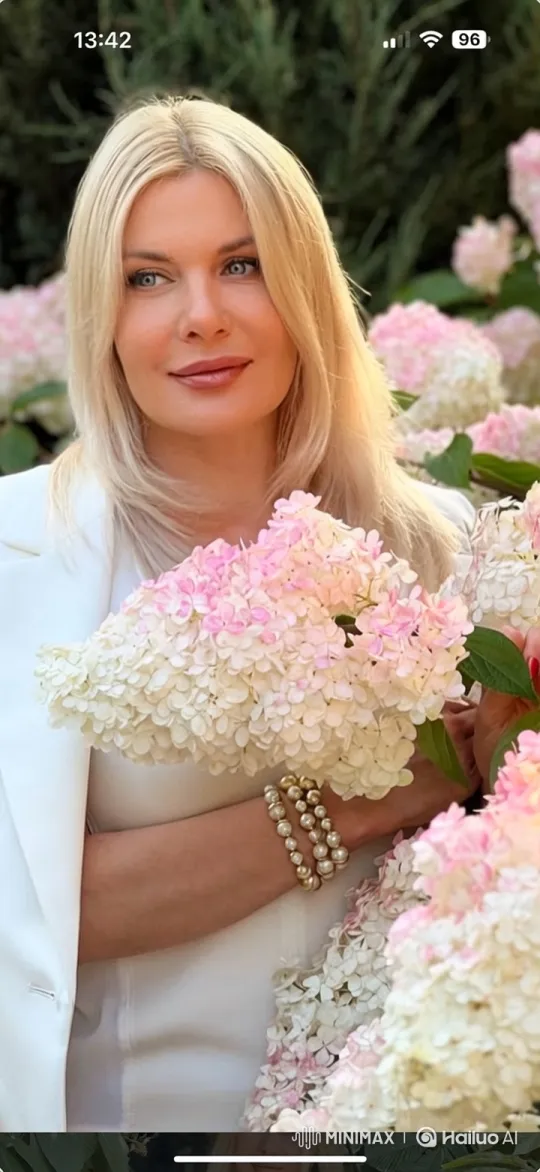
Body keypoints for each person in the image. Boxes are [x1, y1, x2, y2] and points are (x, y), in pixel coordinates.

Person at [0, 92, 508, 1133]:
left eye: (242, 264)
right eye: (149, 277)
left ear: (307, 289)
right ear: (104, 316)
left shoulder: (448, 547)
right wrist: (363, 802)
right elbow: (40, 908)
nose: (201, 315)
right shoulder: (18, 554)